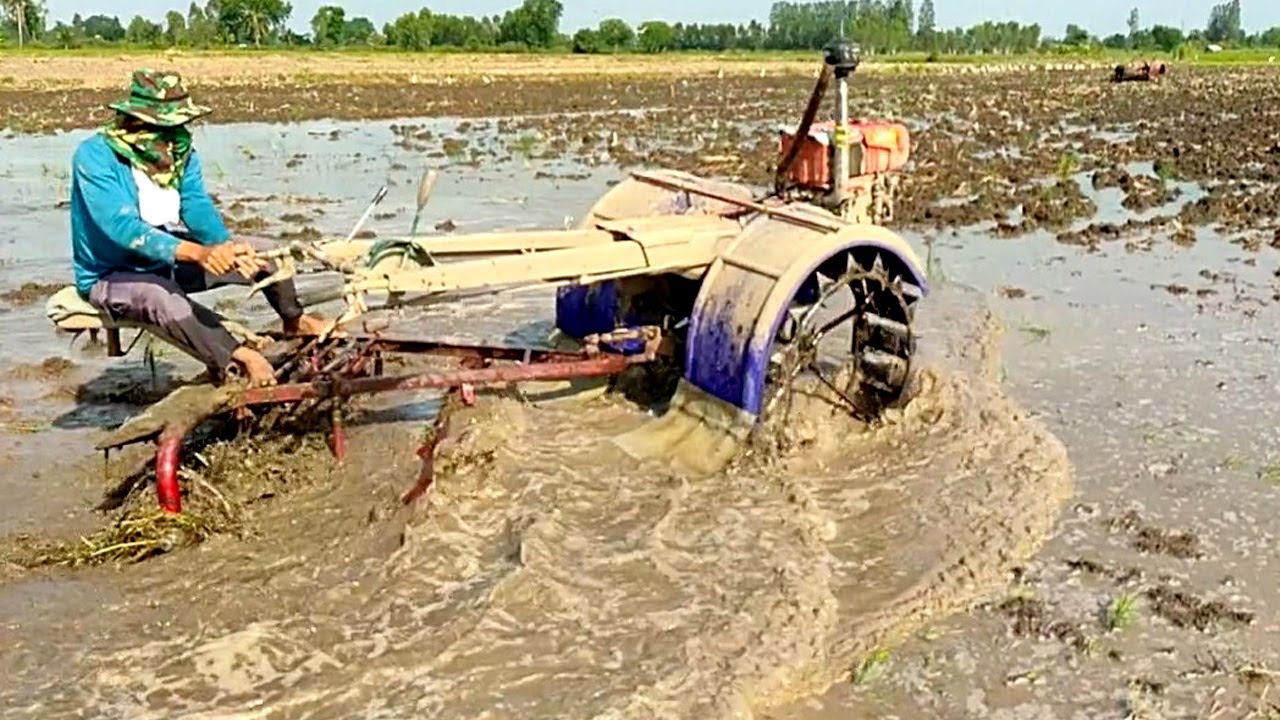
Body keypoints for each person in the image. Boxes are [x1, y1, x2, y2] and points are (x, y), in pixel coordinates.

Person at [69, 68, 331, 387]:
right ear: (138, 121)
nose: (174, 136)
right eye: (167, 127)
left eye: (180, 125)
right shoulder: (95, 156)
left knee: (266, 256)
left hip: (167, 256)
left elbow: (194, 204)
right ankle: (238, 355)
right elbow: (123, 227)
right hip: (111, 273)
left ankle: (294, 320)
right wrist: (200, 253)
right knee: (162, 299)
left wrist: (223, 247)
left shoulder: (179, 152)